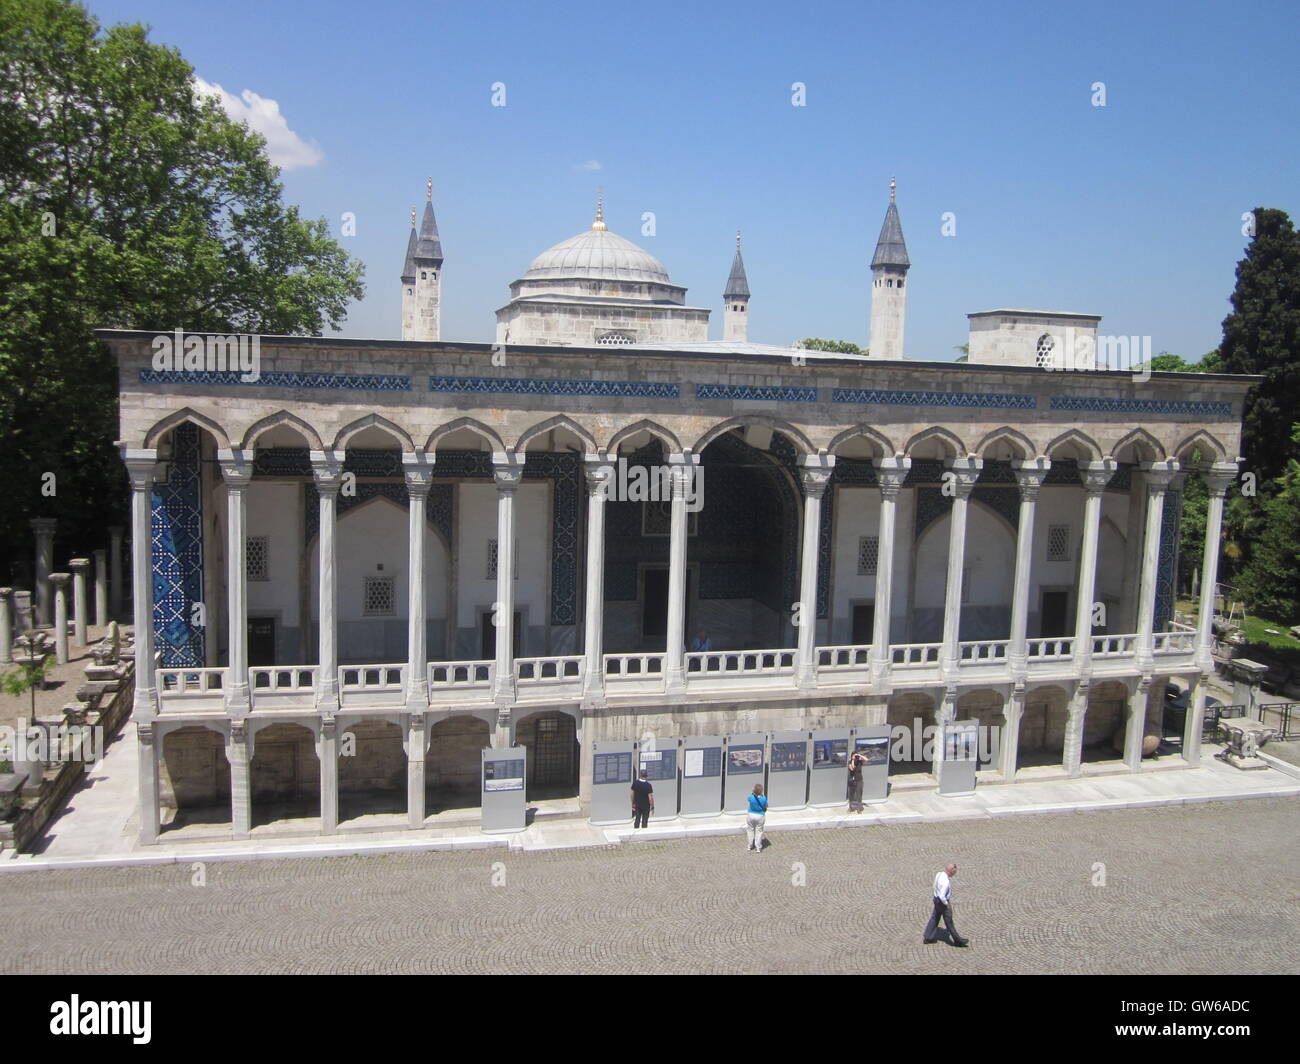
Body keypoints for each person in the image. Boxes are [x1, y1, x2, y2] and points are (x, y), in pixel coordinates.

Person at [922, 862, 969, 946]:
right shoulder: (945, 882)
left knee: (935, 918)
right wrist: (946, 904)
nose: (954, 874)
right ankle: (958, 941)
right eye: (954, 872)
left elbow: (934, 886)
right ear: (951, 871)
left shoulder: (939, 874)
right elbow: (942, 896)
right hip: (942, 903)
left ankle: (928, 937)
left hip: (936, 900)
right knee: (949, 922)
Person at [745, 783, 768, 852]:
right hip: (760, 815)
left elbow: (748, 799)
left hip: (751, 815)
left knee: (750, 830)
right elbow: (766, 806)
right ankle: (758, 847)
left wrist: (753, 793)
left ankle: (749, 846)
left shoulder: (751, 797)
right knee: (759, 831)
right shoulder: (764, 798)